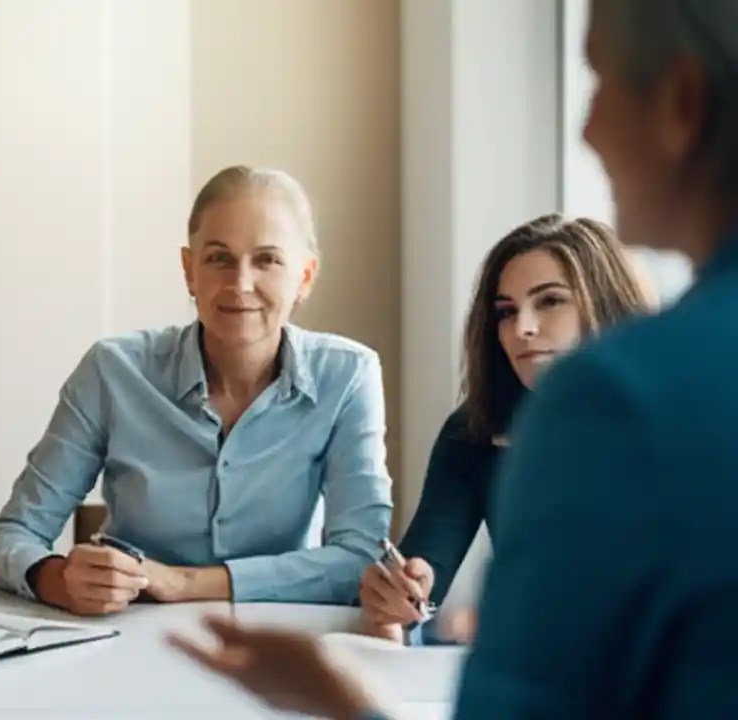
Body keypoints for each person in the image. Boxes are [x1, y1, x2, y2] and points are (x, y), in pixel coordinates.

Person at [170, 0, 738, 716]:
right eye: (505, 311)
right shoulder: (493, 426)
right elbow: (420, 580)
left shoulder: (612, 401)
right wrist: (402, 606)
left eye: (601, 82)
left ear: (683, 100)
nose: (586, 127)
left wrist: (347, 701)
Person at [0, 166, 392, 616]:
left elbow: (361, 559)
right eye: (219, 258)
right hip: (128, 635)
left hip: (278, 639)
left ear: (306, 276)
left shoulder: (348, 376)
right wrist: (59, 580)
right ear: (189, 270)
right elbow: (11, 536)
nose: (240, 284)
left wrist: (183, 583)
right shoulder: (112, 370)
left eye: (267, 260)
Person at [360, 214, 652, 644]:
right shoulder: (476, 430)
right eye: (506, 312)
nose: (522, 328)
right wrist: (397, 597)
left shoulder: (677, 420)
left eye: (550, 301)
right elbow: (422, 577)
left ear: (606, 303)